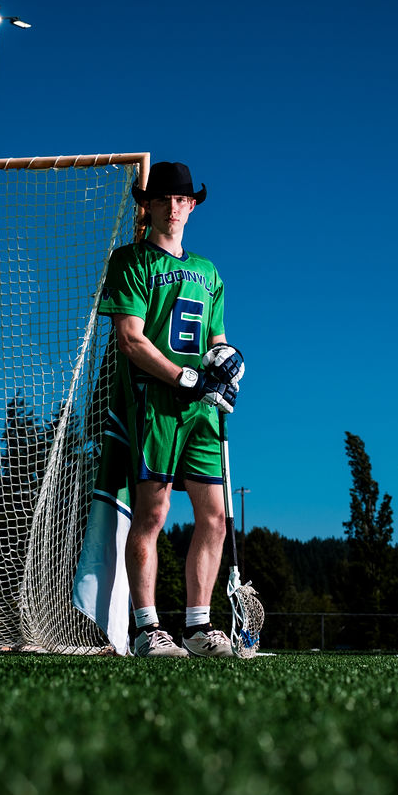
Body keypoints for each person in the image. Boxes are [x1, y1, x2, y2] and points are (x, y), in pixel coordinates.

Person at [97, 161, 244, 657]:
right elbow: (131, 340)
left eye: (182, 200)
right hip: (154, 403)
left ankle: (198, 627)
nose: (173, 208)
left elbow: (215, 343)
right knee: (153, 512)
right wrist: (184, 376)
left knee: (216, 516)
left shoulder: (209, 272)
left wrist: (228, 368)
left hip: (201, 409)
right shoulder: (132, 261)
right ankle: (146, 629)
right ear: (148, 206)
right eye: (163, 199)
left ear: (193, 205)